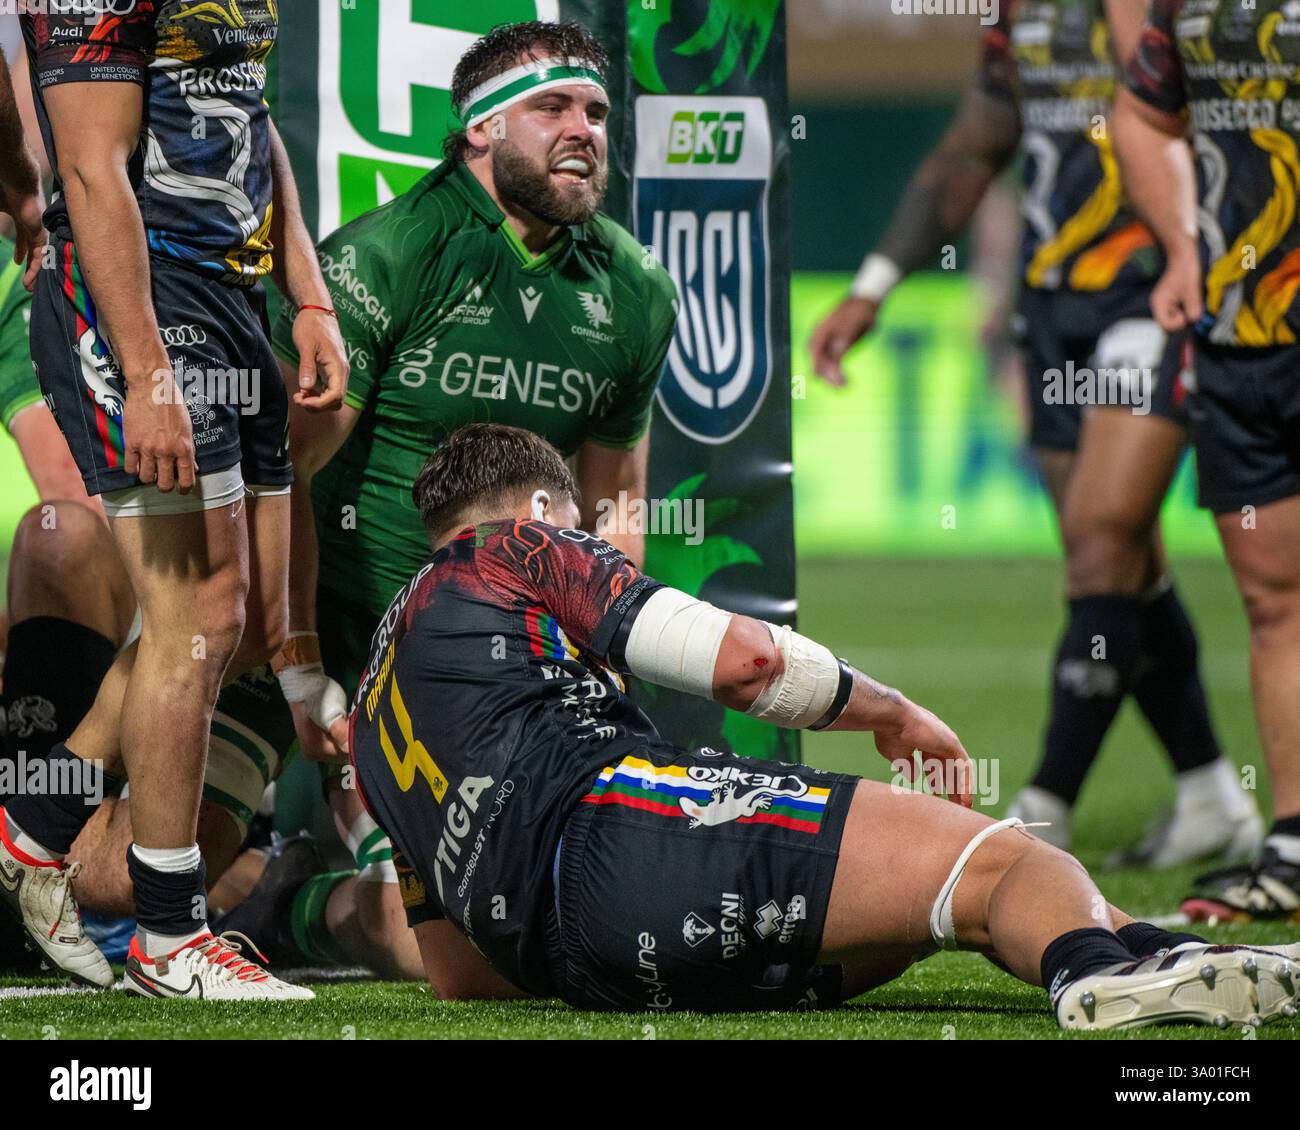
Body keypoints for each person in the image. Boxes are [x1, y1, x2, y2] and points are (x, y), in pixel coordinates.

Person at [348, 422, 1298, 1027]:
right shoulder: (520, 543)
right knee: (1011, 861)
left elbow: (458, 978)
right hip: (619, 830)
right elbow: (741, 661)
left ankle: (1172, 958)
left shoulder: (373, 701)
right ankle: (1098, 978)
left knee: (962, 905)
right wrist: (892, 711)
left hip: (587, 959)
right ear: (549, 508)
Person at [238, 20, 677, 978]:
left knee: (501, 931)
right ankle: (256, 883)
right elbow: (282, 474)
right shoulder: (387, 258)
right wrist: (303, 660)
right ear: (478, 130)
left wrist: (604, 641)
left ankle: (287, 899)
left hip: (496, 664)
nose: (584, 130)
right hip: (338, 638)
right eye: (552, 107)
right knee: (134, 874)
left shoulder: (636, 291)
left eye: (597, 112)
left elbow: (617, 506)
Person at [807, 0, 1258, 865]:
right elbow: (974, 150)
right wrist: (873, 285)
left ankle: (1044, 801)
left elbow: (1186, 111)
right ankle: (1207, 786)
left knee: (1099, 539)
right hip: (1052, 308)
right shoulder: (1022, 15)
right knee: (1123, 559)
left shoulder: (1177, 15)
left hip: (1155, 291)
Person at [0, 3, 347, 1000]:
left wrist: (307, 290)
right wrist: (147, 369)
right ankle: (167, 934)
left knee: (229, 618)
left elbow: (247, 110)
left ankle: (32, 826)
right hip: (143, 301)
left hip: (231, 301)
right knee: (195, 613)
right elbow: (89, 168)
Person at [1114, 0, 1300, 920]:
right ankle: (1295, 844)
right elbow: (1143, 113)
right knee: (1273, 599)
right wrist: (1182, 247)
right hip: (1240, 340)